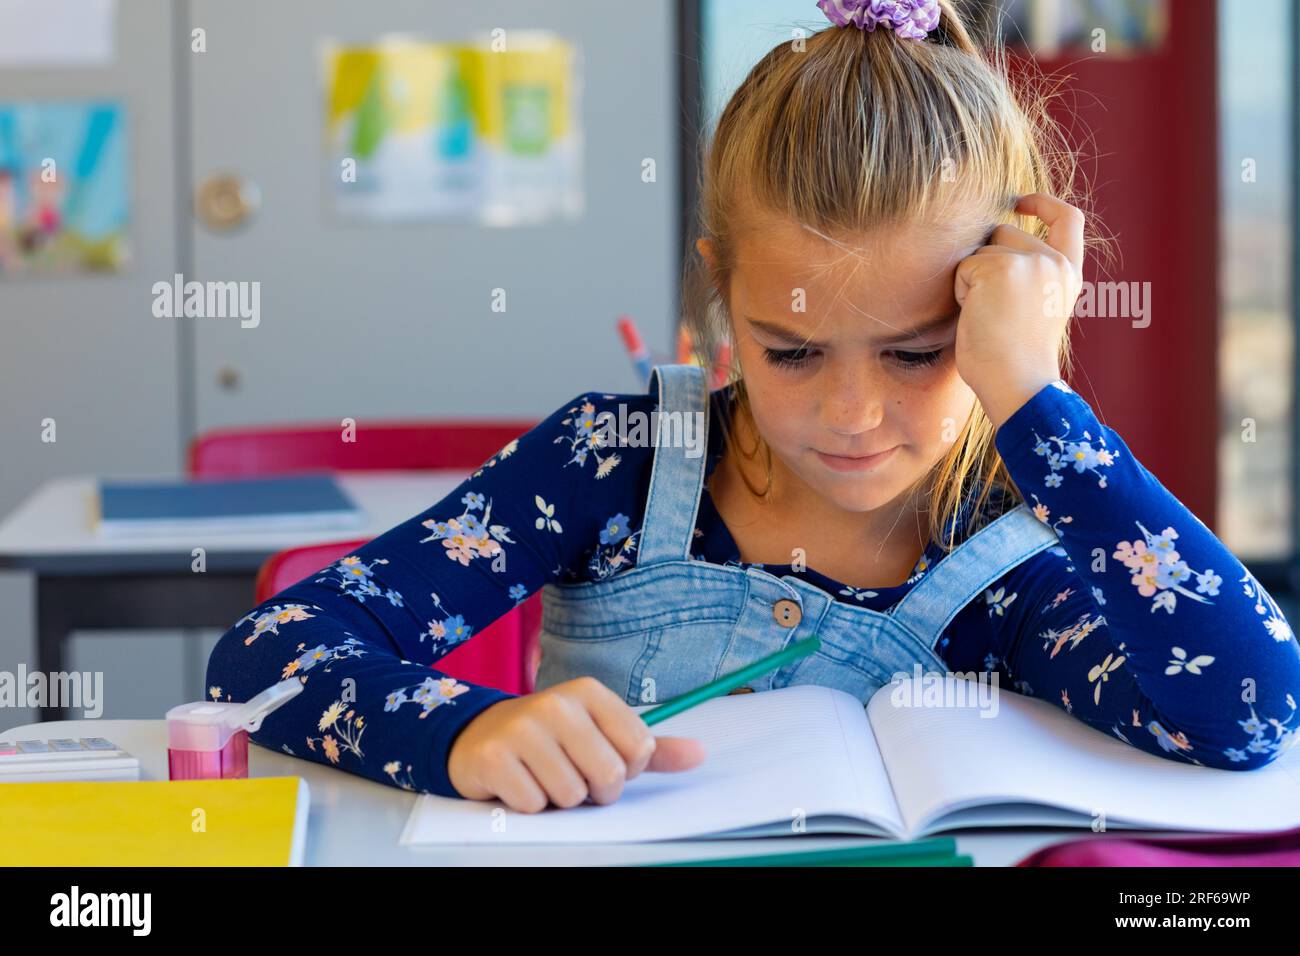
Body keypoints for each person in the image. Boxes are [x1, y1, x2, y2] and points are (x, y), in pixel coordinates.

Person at [206, 0, 1300, 813]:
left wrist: (1031, 393)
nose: (853, 411)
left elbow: (1249, 710)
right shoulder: (616, 458)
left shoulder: (1003, 559)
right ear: (721, 291)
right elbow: (268, 654)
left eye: (920, 356)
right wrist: (467, 729)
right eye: (793, 351)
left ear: (994, 314)